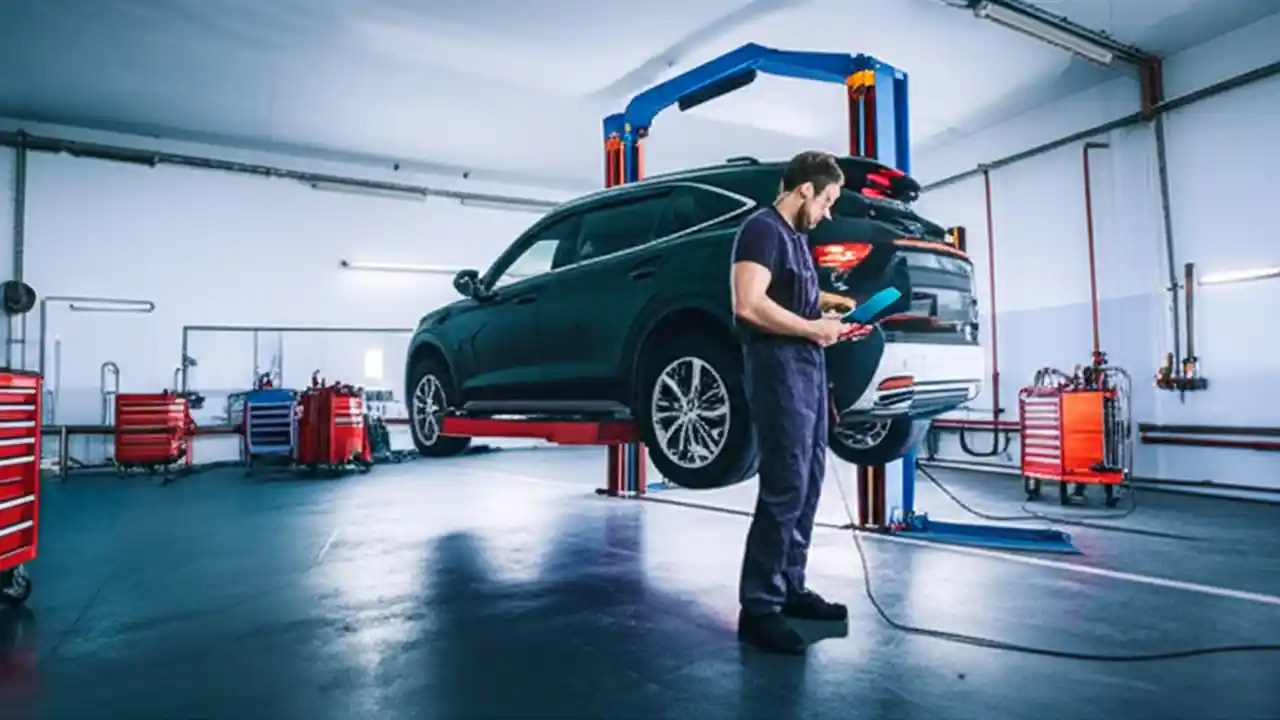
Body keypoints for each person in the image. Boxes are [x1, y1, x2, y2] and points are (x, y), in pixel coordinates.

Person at [729, 150, 869, 654]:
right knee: (786, 484)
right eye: (828, 200)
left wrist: (829, 310)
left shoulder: (795, 239)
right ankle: (759, 608)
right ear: (805, 189)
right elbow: (748, 303)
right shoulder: (761, 229)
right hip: (778, 371)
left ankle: (790, 587)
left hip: (808, 370)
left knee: (809, 482)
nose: (828, 212)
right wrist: (814, 327)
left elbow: (787, 298)